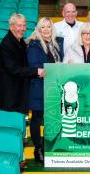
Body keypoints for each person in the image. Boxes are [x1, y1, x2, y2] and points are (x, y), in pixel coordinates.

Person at [0, 13, 45, 170]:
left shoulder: (19, 41)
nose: (22, 28)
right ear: (11, 26)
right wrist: (36, 71)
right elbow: (13, 69)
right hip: (9, 96)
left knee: (18, 128)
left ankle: (18, 159)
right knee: (10, 129)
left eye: (24, 25)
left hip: (17, 93)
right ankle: (12, 160)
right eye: (19, 25)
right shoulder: (6, 44)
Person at [26, 17, 62, 163]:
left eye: (49, 27)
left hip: (53, 87)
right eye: (43, 27)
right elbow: (33, 65)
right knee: (37, 118)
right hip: (39, 87)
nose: (46, 30)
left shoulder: (55, 43)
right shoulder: (34, 44)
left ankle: (51, 146)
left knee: (52, 119)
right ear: (39, 29)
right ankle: (38, 149)